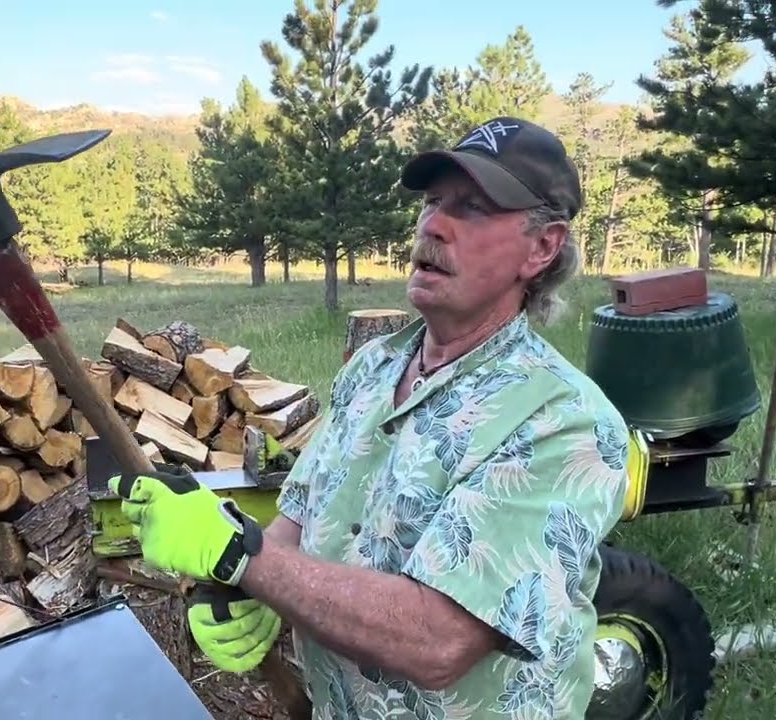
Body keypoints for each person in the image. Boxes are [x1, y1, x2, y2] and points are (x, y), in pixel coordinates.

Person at [109, 116, 631, 719]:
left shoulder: (565, 423)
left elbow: (439, 639)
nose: (434, 224)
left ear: (542, 247)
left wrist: (238, 555)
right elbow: (300, 520)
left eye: (474, 209)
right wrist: (249, 588)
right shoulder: (373, 368)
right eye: (434, 202)